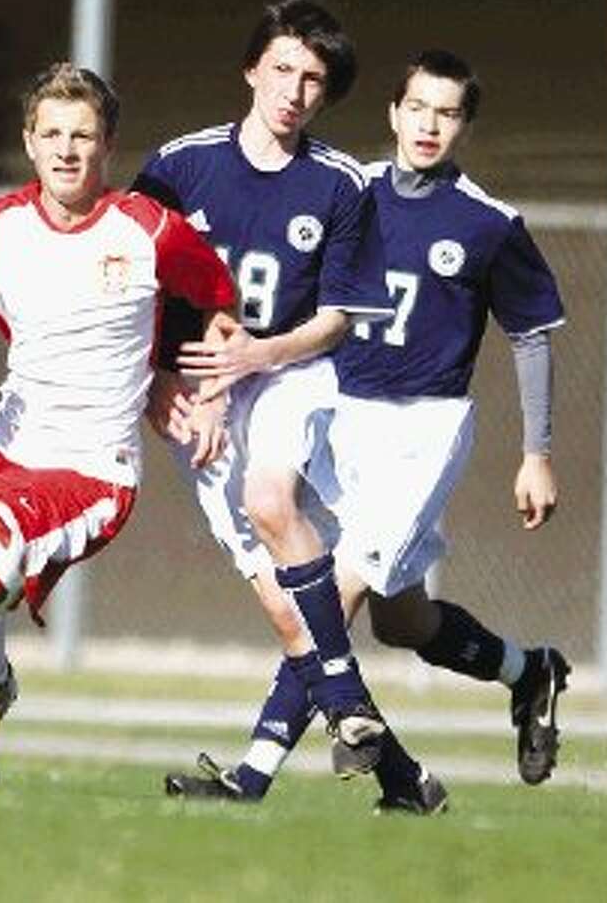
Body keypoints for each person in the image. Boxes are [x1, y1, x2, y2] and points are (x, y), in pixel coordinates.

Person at [166, 49, 569, 806]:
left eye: (447, 113)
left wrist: (536, 453)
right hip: (341, 418)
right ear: (393, 112)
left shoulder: (488, 223)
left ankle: (251, 776)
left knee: (332, 596)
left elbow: (531, 336)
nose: (429, 125)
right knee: (402, 621)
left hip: (422, 431)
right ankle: (529, 672)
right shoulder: (351, 190)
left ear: (465, 126)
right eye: (417, 108)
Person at [0, 62, 236, 782]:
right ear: (30, 142)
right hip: (0, 450)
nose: (66, 150)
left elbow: (220, 304)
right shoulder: (2, 226)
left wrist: (206, 391)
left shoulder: (151, 230)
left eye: (82, 135)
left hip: (91, 470)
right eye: (52, 135)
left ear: (107, 146)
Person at [134, 0, 440, 810]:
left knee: (270, 499)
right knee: (286, 610)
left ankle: (299, 746)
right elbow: (134, 286)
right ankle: (401, 776)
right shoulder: (178, 168)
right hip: (200, 389)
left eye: (312, 80)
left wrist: (257, 355)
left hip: (290, 373)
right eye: (282, 70)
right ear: (250, 70)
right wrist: (161, 382)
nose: (294, 91)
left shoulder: (340, 184)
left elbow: (337, 319)